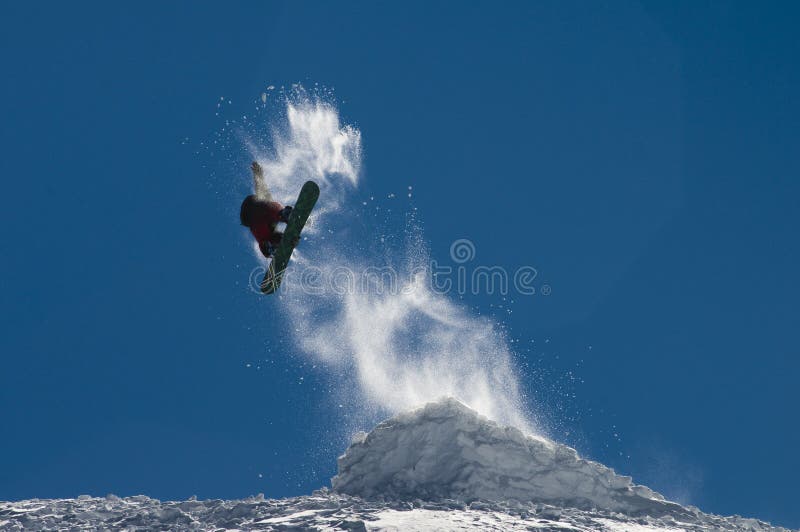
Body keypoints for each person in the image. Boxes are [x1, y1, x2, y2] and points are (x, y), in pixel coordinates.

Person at [240, 161, 293, 258]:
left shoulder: (265, 232)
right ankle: (284, 214)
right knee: (272, 207)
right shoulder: (268, 207)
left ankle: (269, 249)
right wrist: (258, 175)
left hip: (252, 220)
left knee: (264, 236)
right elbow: (261, 189)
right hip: (253, 208)